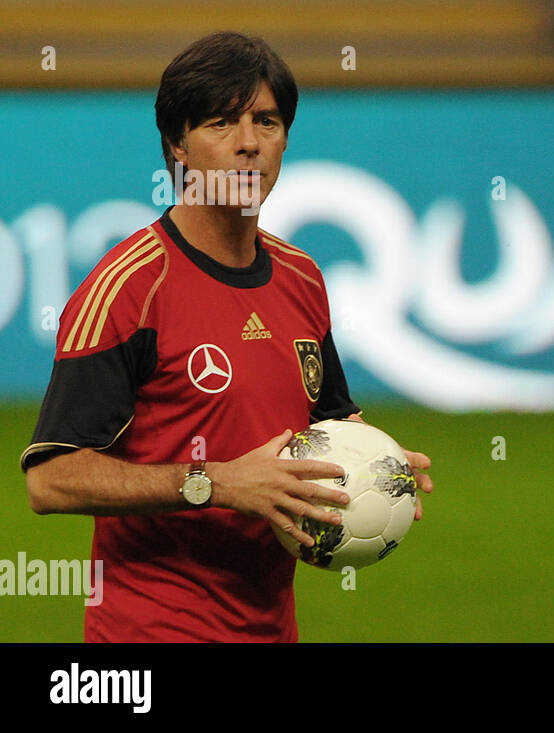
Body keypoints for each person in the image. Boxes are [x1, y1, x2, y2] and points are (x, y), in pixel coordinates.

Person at [20, 31, 434, 642]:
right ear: (177, 146)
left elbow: (330, 423)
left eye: (266, 122)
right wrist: (213, 482)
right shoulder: (130, 287)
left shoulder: (302, 277)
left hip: (271, 628)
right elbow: (50, 479)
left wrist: (379, 468)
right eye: (221, 122)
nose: (249, 145)